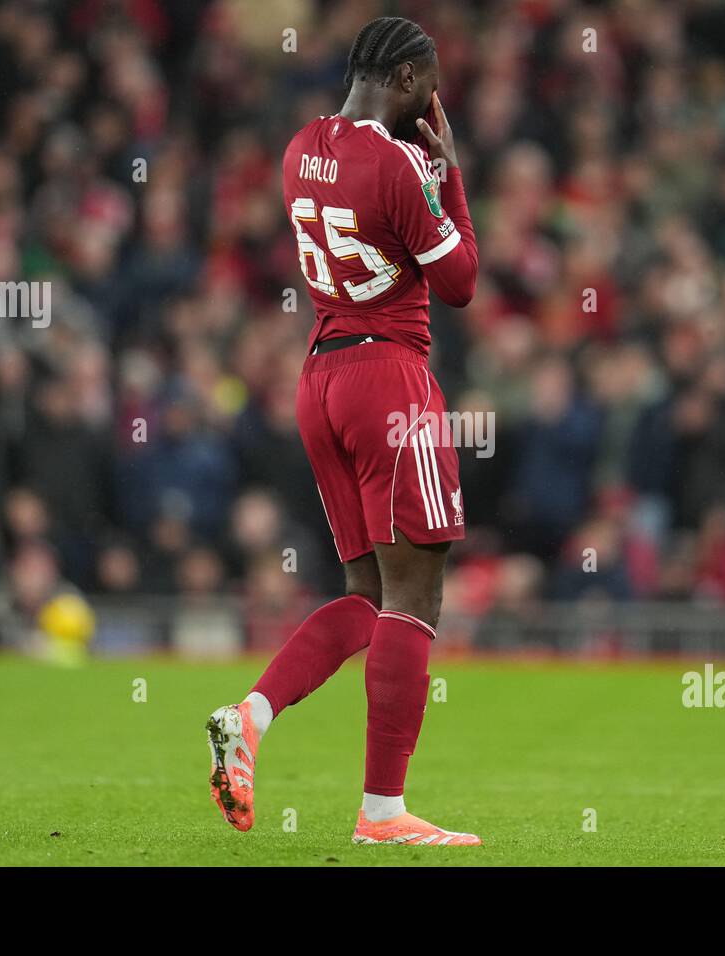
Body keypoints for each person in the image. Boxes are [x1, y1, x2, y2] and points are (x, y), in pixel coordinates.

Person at [205, 17, 481, 847]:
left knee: (368, 597)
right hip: (389, 378)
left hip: (321, 377)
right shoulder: (398, 162)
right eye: (431, 85)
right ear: (406, 80)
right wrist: (451, 178)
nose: (435, 102)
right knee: (415, 597)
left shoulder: (300, 148)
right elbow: (461, 282)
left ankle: (250, 716)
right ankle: (383, 813)